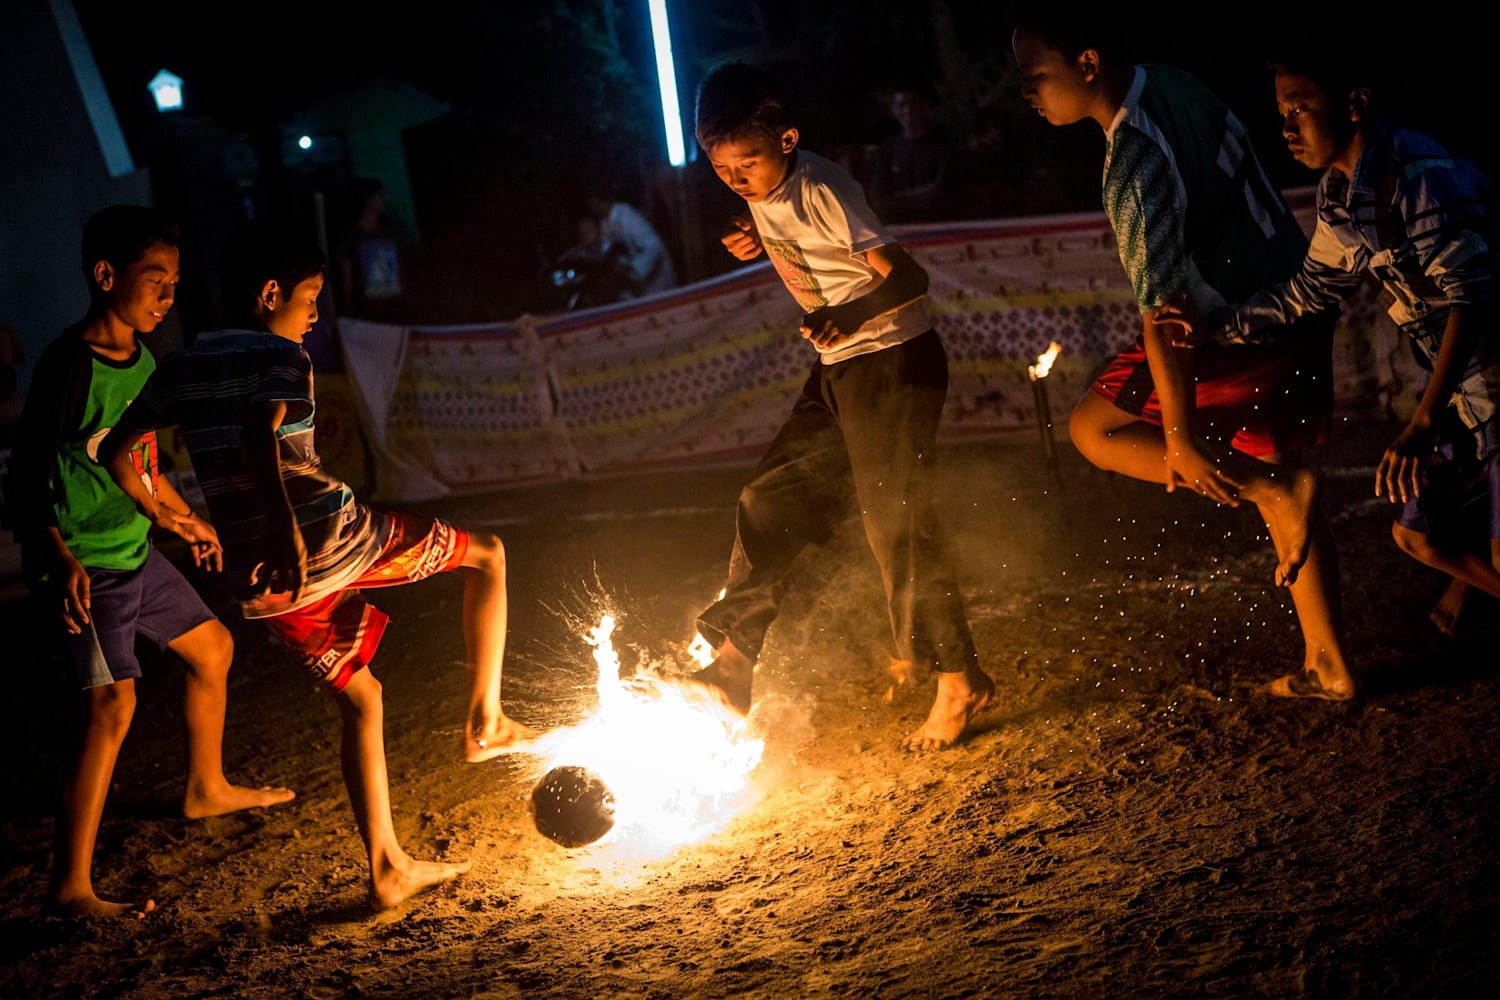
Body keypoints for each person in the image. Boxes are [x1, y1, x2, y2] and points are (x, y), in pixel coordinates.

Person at [98, 220, 540, 909]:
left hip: (267, 583)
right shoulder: (282, 359)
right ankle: (487, 720)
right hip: (331, 541)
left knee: (362, 699)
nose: (313, 319)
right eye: (309, 302)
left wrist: (174, 516)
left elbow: (117, 451)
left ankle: (388, 868)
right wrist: (284, 528)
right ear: (271, 293)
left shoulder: (178, 367)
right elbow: (260, 433)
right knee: (488, 556)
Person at [1009, 11, 1358, 701]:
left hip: (1243, 323)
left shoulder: (1132, 160)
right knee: (1284, 470)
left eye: (1035, 77)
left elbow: (1162, 317)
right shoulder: (1174, 84)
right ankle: (1330, 664)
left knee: (1093, 429)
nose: (1027, 93)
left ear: (1087, 63)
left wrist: (1178, 439)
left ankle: (1266, 493)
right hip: (1296, 297)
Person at [685, 61, 995, 752]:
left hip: (891, 362)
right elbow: (798, 237)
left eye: (750, 164)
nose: (738, 180)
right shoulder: (769, 189)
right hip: (841, 370)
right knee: (769, 497)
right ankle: (734, 664)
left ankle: (959, 679)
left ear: (788, 139)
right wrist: (756, 234)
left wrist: (851, 314)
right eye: (723, 169)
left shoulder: (822, 186)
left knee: (898, 528)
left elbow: (908, 278)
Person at [2, 205, 294, 919]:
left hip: (134, 552)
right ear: (106, 276)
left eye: (175, 283)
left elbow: (140, 461)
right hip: (87, 565)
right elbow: (25, 476)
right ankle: (70, 887)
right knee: (111, 705)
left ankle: (206, 788)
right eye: (154, 280)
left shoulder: (146, 361)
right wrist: (59, 555)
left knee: (214, 648)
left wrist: (184, 517)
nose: (168, 297)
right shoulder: (69, 365)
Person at [1159, 44, 1499, 639]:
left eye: (1300, 109)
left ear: (1355, 104)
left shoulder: (1419, 179)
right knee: (1416, 536)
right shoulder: (1340, 196)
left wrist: (1420, 423)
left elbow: (1470, 300)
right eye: (1281, 112)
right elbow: (1310, 290)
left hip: (1492, 388)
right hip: (1466, 401)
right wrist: (1221, 325)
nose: (1286, 126)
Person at [867, 84, 951, 224]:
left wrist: (901, 197)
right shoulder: (887, 150)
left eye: (914, 104)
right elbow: (878, 195)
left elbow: (942, 189)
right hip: (900, 229)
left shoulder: (943, 146)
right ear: (894, 110)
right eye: (902, 105)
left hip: (937, 226)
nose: (908, 111)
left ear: (924, 107)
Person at [334, 177, 410, 324]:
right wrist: (350, 311)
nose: (383, 200)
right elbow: (347, 281)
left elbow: (400, 270)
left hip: (396, 308)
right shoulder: (352, 238)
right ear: (366, 200)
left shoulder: (390, 234)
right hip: (369, 312)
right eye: (379, 196)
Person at [584, 191, 678, 297]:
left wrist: (633, 268)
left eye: (592, 204)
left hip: (657, 278)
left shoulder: (627, 215)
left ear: (597, 201)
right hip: (635, 284)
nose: (592, 209)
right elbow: (610, 249)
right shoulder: (605, 223)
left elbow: (654, 246)